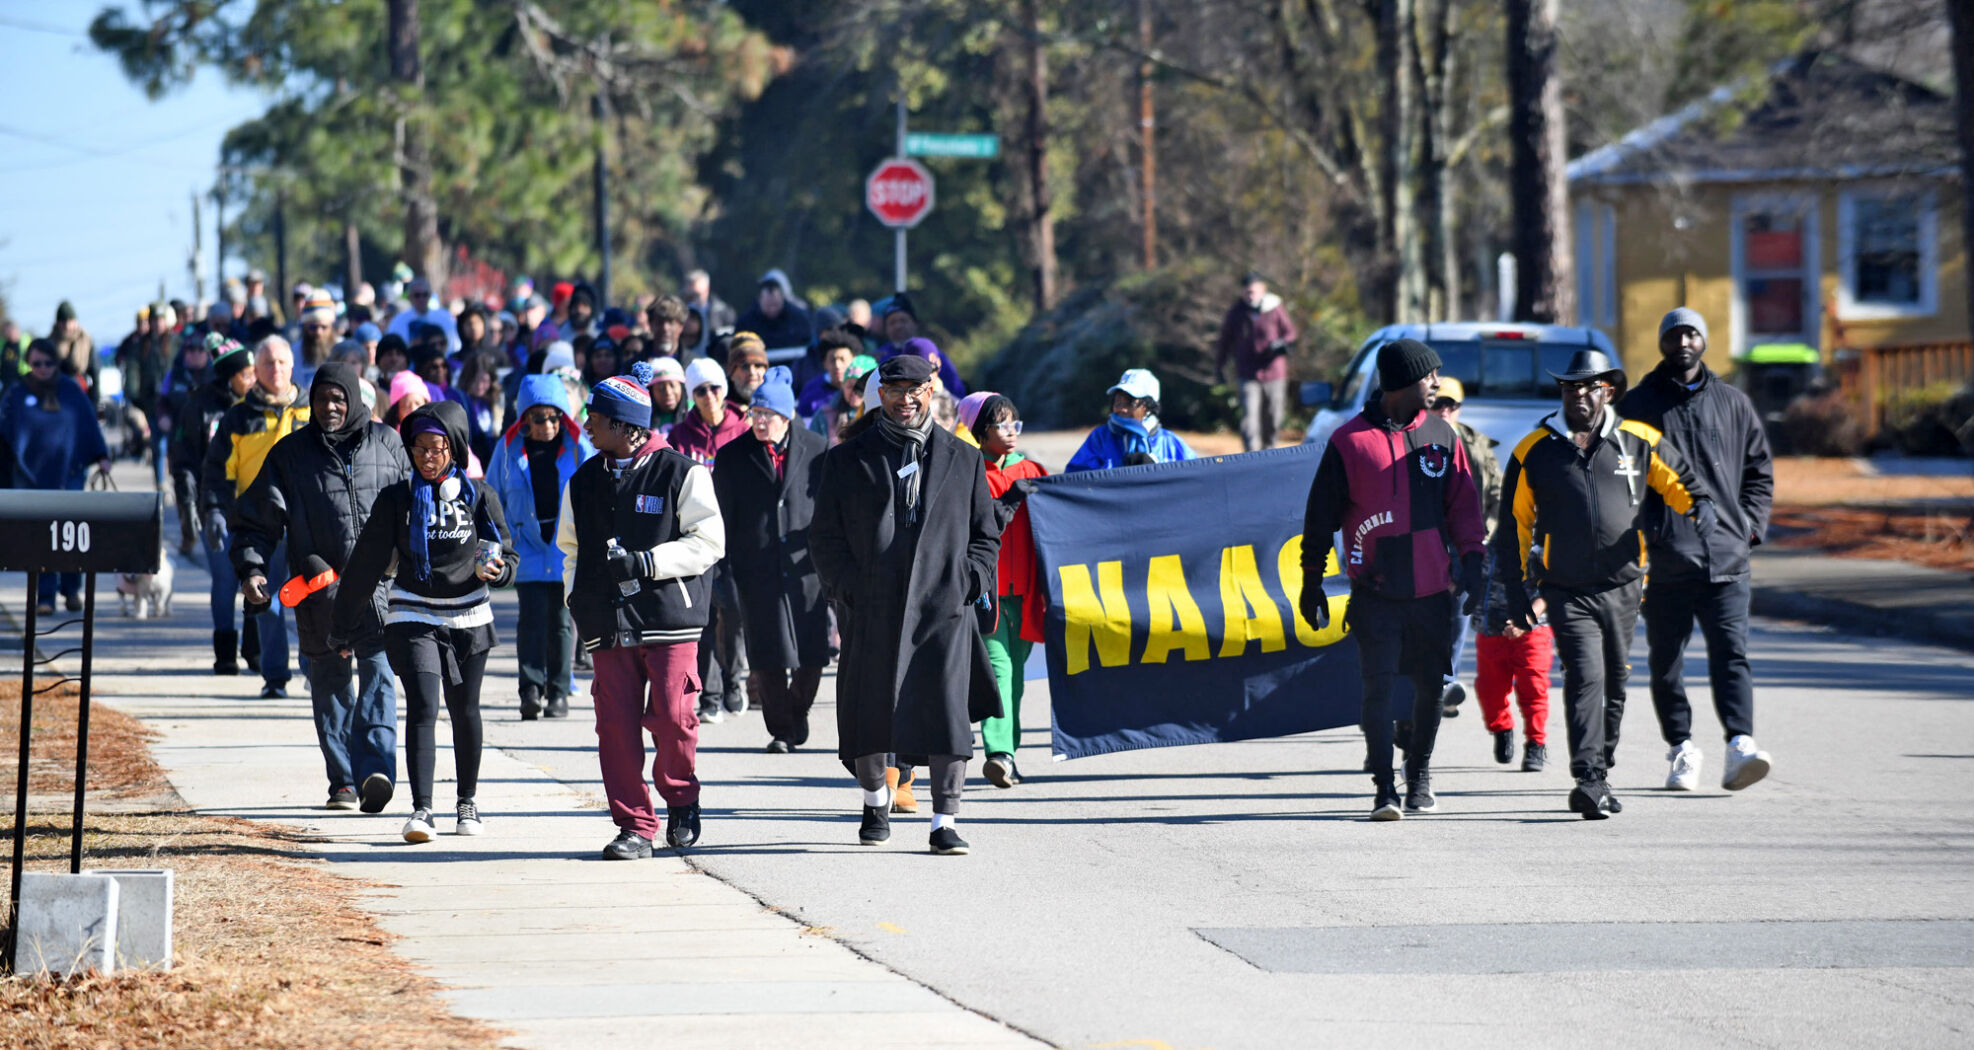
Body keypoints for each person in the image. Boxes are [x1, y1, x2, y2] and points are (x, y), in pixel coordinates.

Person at [1493, 349, 1714, 819]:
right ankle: (1588, 778)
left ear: (1607, 391)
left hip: (1624, 585)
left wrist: (1704, 512)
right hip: (1565, 589)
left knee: (1615, 682)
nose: (1578, 395)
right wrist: (1517, 594)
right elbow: (1513, 528)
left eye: (1588, 386)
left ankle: (1602, 770)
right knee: (1585, 677)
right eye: (1571, 386)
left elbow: (1682, 483)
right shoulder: (1533, 450)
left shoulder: (1636, 440)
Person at [811, 354, 1003, 855]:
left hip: (945, 608)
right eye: (895, 389)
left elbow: (986, 535)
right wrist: (847, 587)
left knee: (947, 715)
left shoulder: (964, 460)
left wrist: (971, 578)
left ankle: (945, 820)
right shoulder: (845, 459)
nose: (905, 398)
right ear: (881, 394)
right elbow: (825, 537)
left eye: (915, 388)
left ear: (931, 390)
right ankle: (875, 800)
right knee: (870, 713)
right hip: (872, 606)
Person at [1301, 339, 1486, 820]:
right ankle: (1384, 788)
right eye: (1429, 376)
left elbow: (1465, 508)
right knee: (1378, 689)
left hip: (1431, 592)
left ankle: (1418, 775)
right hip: (1375, 592)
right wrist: (1311, 581)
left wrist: (1474, 563)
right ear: (1402, 382)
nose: (1437, 384)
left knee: (1430, 688)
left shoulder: (1444, 437)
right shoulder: (1349, 441)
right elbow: (1320, 518)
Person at [331, 400, 518, 842]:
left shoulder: (479, 495)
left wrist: (500, 570)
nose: (427, 457)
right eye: (419, 448)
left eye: (436, 448)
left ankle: (467, 804)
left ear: (454, 448)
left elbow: (507, 554)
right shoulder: (397, 499)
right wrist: (343, 626)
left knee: (465, 709)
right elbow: (364, 565)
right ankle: (422, 810)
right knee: (423, 706)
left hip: (470, 613)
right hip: (413, 612)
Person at [557, 363, 725, 858]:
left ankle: (681, 798)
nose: (586, 425)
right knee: (615, 727)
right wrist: (576, 598)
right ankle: (635, 826)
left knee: (674, 719)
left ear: (626, 426)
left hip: (670, 618)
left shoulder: (682, 471)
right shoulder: (584, 480)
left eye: (596, 417)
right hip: (605, 623)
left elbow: (710, 541)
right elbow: (570, 549)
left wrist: (650, 563)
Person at [233, 364, 410, 813]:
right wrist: (253, 569)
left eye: (339, 398)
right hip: (319, 592)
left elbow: (415, 508)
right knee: (330, 684)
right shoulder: (290, 456)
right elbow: (257, 519)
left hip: (379, 590)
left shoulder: (388, 444)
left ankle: (375, 769)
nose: (330, 407)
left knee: (378, 675)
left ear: (354, 400)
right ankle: (345, 781)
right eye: (322, 398)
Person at [1618, 307, 1776, 792]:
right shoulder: (1637, 405)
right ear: (1663, 342)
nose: (1683, 341)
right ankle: (1682, 749)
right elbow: (1616, 480)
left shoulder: (1733, 403)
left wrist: (1749, 527)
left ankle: (1741, 745)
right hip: (1665, 560)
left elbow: (1759, 472)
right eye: (1674, 334)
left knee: (1732, 655)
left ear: (1703, 341)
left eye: (1692, 333)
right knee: (1666, 662)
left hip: (1727, 557)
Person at [712, 367, 831, 753]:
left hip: (806, 567)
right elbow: (723, 515)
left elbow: (830, 509)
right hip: (755, 568)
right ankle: (781, 730)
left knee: (813, 654)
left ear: (786, 416)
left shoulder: (817, 449)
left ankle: (798, 711)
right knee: (767, 655)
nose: (759, 421)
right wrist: (725, 568)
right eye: (755, 414)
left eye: (767, 415)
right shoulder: (732, 456)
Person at [204, 336, 310, 698]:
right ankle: (276, 676)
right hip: (262, 525)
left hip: (309, 522)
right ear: (256, 370)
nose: (275, 369)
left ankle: (317, 669)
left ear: (292, 366)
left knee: (316, 598)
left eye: (281, 362)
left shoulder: (312, 411)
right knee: (267, 599)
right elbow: (217, 474)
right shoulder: (238, 417)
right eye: (267, 363)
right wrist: (216, 512)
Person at [487, 375, 593, 720]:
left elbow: (598, 494)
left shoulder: (579, 447)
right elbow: (492, 499)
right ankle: (530, 690)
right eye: (538, 418)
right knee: (531, 620)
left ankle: (559, 692)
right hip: (526, 549)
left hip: (565, 549)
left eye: (554, 417)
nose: (547, 425)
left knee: (562, 623)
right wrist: (500, 544)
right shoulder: (507, 449)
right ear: (524, 419)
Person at [963, 393, 1048, 788]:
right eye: (1001, 424)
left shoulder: (1034, 469)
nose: (1011, 432)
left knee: (1015, 677)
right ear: (981, 432)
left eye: (1015, 423)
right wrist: (1010, 499)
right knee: (999, 671)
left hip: (1028, 591)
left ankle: (1007, 755)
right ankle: (998, 751)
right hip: (987, 592)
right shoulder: (968, 471)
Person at [0, 340, 112, 615]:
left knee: (71, 534)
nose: (42, 369)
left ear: (55, 363)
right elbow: (4, 432)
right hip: (28, 476)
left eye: (47, 363)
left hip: (69, 472)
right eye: (36, 363)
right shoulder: (16, 392)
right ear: (29, 363)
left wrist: (102, 455)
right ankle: (45, 595)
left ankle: (72, 589)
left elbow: (88, 425)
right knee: (40, 537)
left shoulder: (70, 389)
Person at [670, 357, 753, 722]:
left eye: (714, 388)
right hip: (696, 536)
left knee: (733, 612)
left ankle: (734, 679)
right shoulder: (680, 435)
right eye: (699, 390)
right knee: (702, 617)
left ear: (724, 389)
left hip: (736, 534)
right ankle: (711, 694)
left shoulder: (743, 427)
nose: (708, 396)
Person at [182, 336, 256, 672]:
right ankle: (225, 650)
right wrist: (191, 506)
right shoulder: (200, 405)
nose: (253, 379)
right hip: (217, 505)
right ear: (230, 377)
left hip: (255, 507)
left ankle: (255, 648)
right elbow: (184, 460)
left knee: (257, 576)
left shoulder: (259, 405)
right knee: (225, 579)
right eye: (246, 373)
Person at [1431, 376, 1502, 718]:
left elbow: (1495, 498)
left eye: (1452, 405)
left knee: (1459, 617)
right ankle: (1422, 685)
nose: (1444, 411)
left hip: (1465, 548)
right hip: (1426, 549)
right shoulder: (1414, 443)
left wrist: (1482, 537)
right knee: (1425, 618)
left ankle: (1446, 683)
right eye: (1438, 404)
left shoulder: (1476, 446)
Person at [1472, 549, 1553, 771]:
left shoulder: (1542, 539)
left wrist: (1527, 619)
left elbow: (1551, 587)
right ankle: (1501, 729)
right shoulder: (1485, 537)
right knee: (1490, 690)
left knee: (1534, 687)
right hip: (1490, 628)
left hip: (1533, 630)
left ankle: (1536, 744)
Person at [1216, 271, 1299, 451]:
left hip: (1274, 372)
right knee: (1250, 418)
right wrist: (1220, 367)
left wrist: (1281, 343)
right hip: (1247, 372)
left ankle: (1270, 451)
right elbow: (1225, 341)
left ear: (1263, 290)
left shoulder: (1275, 308)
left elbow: (1290, 332)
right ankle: (1251, 455)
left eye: (1253, 291)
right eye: (1247, 292)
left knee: (1273, 417)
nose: (1250, 295)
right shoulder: (1236, 312)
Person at [1065, 369, 1198, 472]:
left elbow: (1194, 482)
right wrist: (1119, 473)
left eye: (1130, 403)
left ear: (1149, 407)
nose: (1121, 409)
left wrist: (1156, 469)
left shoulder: (1171, 443)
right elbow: (1074, 479)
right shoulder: (1100, 438)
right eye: (1117, 402)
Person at [162, 330, 214, 554]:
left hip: (208, 445)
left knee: (205, 491)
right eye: (190, 350)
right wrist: (162, 417)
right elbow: (161, 401)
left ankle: (208, 536)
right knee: (183, 489)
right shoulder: (174, 375)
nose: (194, 354)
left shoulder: (215, 377)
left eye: (200, 350)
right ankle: (188, 535)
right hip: (180, 441)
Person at [808, 354, 877, 447]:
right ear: (843, 387)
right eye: (849, 386)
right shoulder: (824, 416)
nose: (855, 391)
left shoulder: (884, 415)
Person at [734, 271, 813, 352]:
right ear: (759, 299)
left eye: (775, 304)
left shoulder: (799, 320)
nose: (772, 308)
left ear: (782, 298)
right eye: (768, 304)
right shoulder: (745, 324)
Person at [796, 328, 861, 418]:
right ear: (824, 364)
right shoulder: (811, 392)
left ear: (854, 360)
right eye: (832, 360)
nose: (837, 365)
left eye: (843, 359)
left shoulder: (864, 388)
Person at [385, 276, 461, 353]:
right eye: (417, 295)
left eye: (425, 294)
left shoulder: (445, 317)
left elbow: (454, 347)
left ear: (430, 295)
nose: (421, 299)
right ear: (410, 297)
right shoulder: (398, 321)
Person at [457, 351, 506, 468]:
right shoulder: (461, 400)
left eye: (484, 381)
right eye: (475, 381)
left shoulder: (496, 402)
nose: (479, 386)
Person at [50, 301, 98, 403]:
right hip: (57, 395)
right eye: (63, 321)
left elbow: (95, 372)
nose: (67, 326)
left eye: (70, 321)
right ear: (58, 323)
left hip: (82, 394)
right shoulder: (50, 342)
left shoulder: (85, 341)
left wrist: (95, 400)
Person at [683, 268, 736, 333]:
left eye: (697, 295)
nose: (693, 300)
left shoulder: (723, 312)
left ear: (707, 289)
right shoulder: (681, 312)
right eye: (690, 296)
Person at [724, 332, 769, 409]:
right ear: (732, 373)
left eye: (758, 365)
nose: (752, 372)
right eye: (745, 367)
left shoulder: (778, 402)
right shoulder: (721, 406)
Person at [646, 357, 687, 437]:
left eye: (672, 385)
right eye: (660, 388)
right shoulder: (645, 419)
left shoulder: (693, 412)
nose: (668, 392)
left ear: (681, 387)